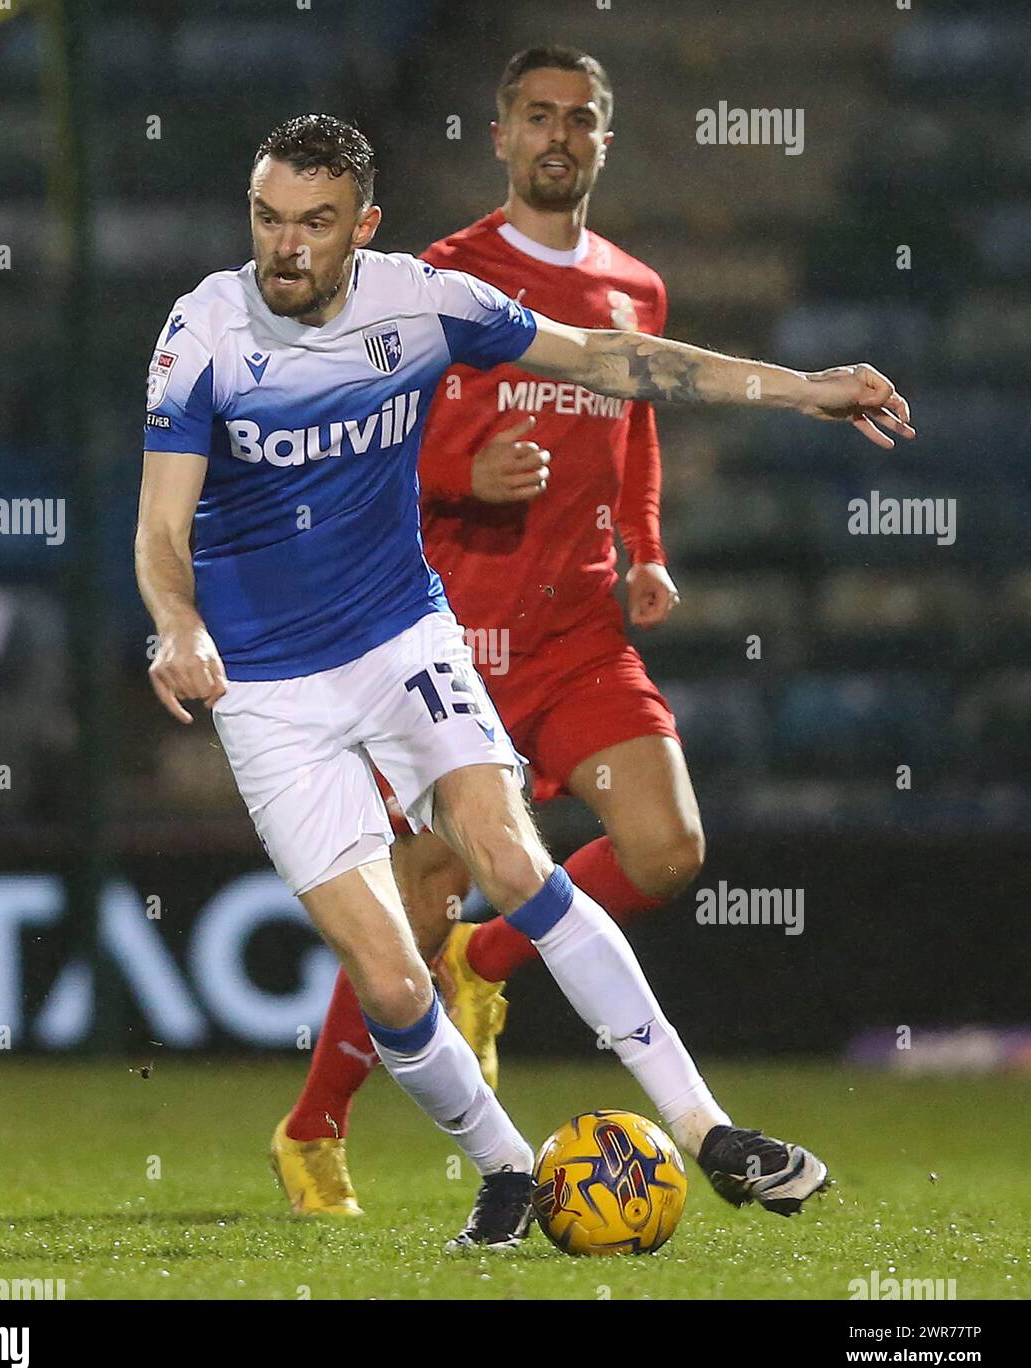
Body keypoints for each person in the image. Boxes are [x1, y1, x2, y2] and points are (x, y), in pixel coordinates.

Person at [135, 113, 912, 1249]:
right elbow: (161, 526)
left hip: (403, 635)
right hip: (265, 685)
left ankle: (708, 1130)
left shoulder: (423, 302)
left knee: (509, 856)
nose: (284, 248)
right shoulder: (202, 329)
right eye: (267, 218)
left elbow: (609, 360)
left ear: (365, 226)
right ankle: (505, 1167)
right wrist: (173, 624)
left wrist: (802, 388)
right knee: (394, 979)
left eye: (313, 223)